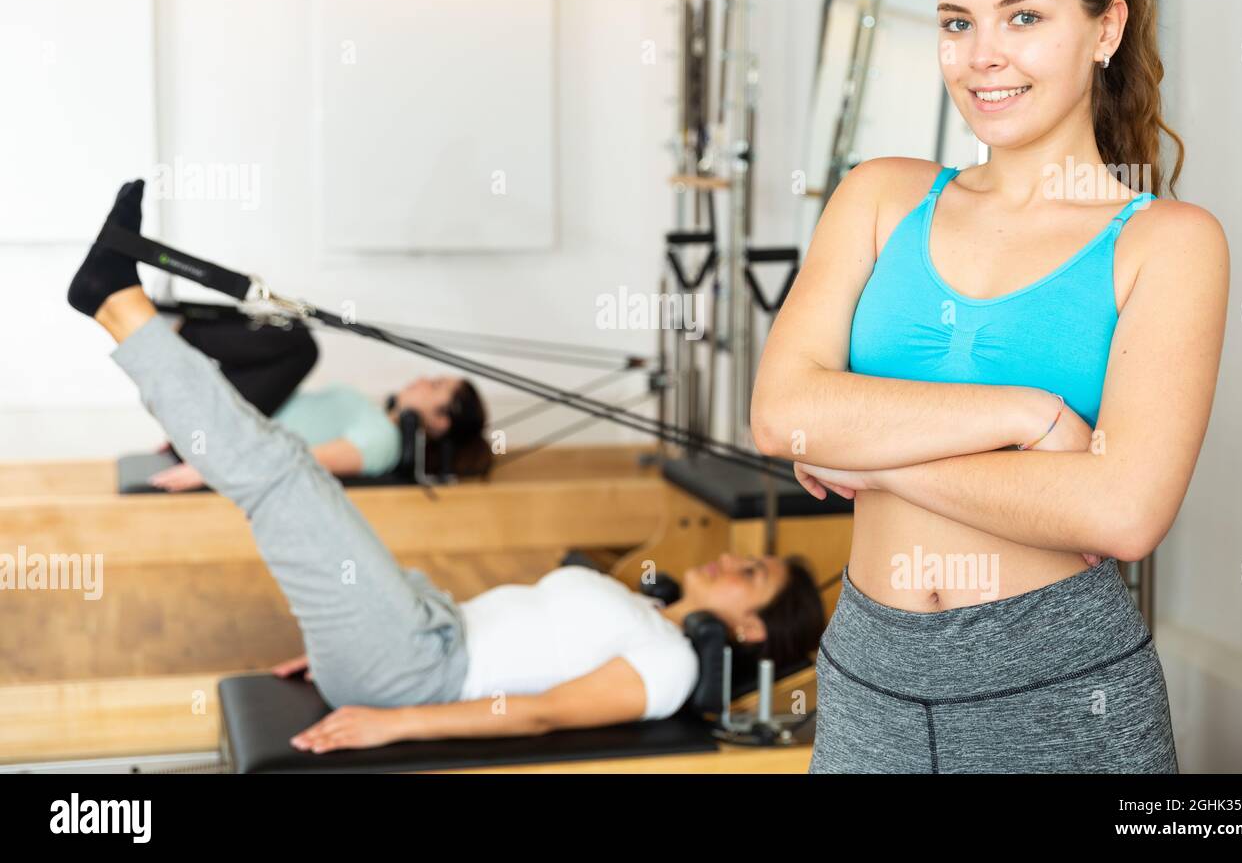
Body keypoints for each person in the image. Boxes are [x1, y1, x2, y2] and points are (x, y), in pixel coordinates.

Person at [66, 180, 825, 751]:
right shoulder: (642, 613)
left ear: (752, 626)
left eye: (751, 575)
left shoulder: (670, 668)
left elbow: (539, 713)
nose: (732, 558)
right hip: (410, 634)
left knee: (283, 477)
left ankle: (117, 301)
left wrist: (392, 721)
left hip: (414, 671)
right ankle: (114, 303)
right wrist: (348, 639)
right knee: (287, 471)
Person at [751, 0, 1228, 773]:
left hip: (1060, 683)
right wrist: (1029, 418)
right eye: (958, 22)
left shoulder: (1169, 243)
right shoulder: (879, 196)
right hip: (869, 680)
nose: (983, 57)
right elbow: (783, 415)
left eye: (1023, 17)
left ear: (1105, 29)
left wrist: (873, 456)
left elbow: (1122, 512)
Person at [144, 300, 492, 491]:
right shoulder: (373, 417)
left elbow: (299, 460)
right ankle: (181, 325)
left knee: (300, 347)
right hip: (222, 425)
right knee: (292, 333)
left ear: (440, 420)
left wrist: (213, 469)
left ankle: (178, 328)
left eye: (433, 387)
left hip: (225, 441)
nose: (421, 380)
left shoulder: (381, 442)